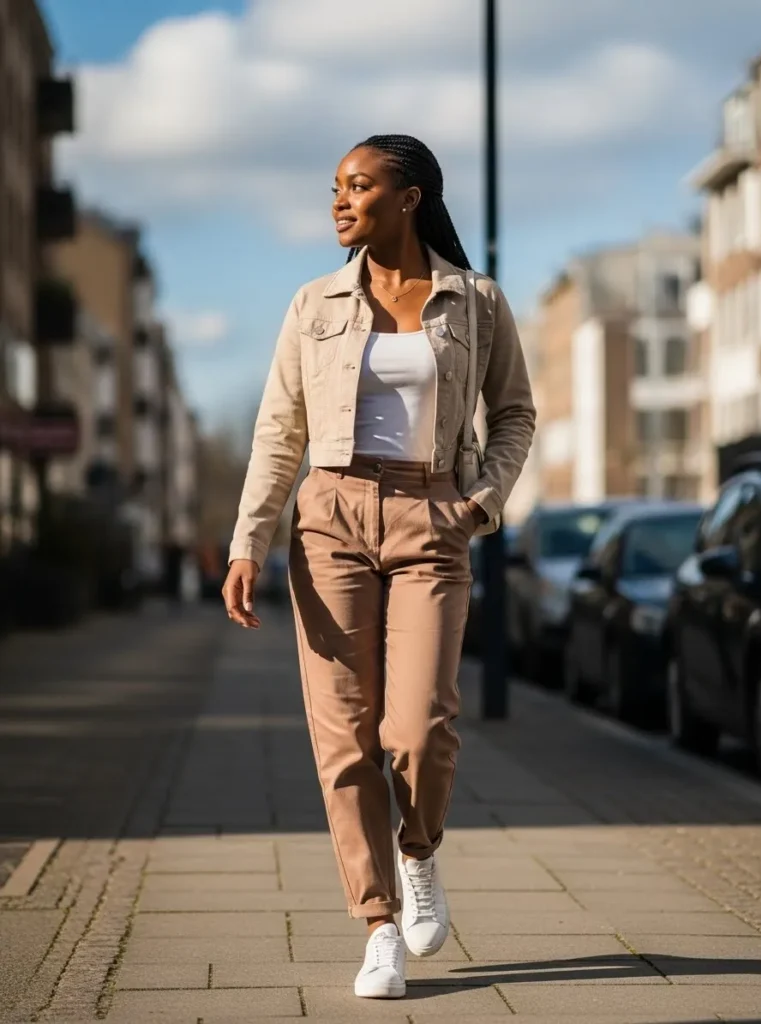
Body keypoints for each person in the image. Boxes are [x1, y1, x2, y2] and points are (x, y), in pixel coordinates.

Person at [222, 134, 535, 999]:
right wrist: (248, 540)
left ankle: (420, 851)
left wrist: (482, 501)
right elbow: (279, 431)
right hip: (329, 520)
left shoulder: (474, 301)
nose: (339, 200)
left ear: (410, 197)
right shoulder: (313, 304)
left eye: (358, 186)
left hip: (433, 514)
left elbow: (514, 414)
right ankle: (379, 926)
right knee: (344, 740)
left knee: (422, 726)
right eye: (334, 187)